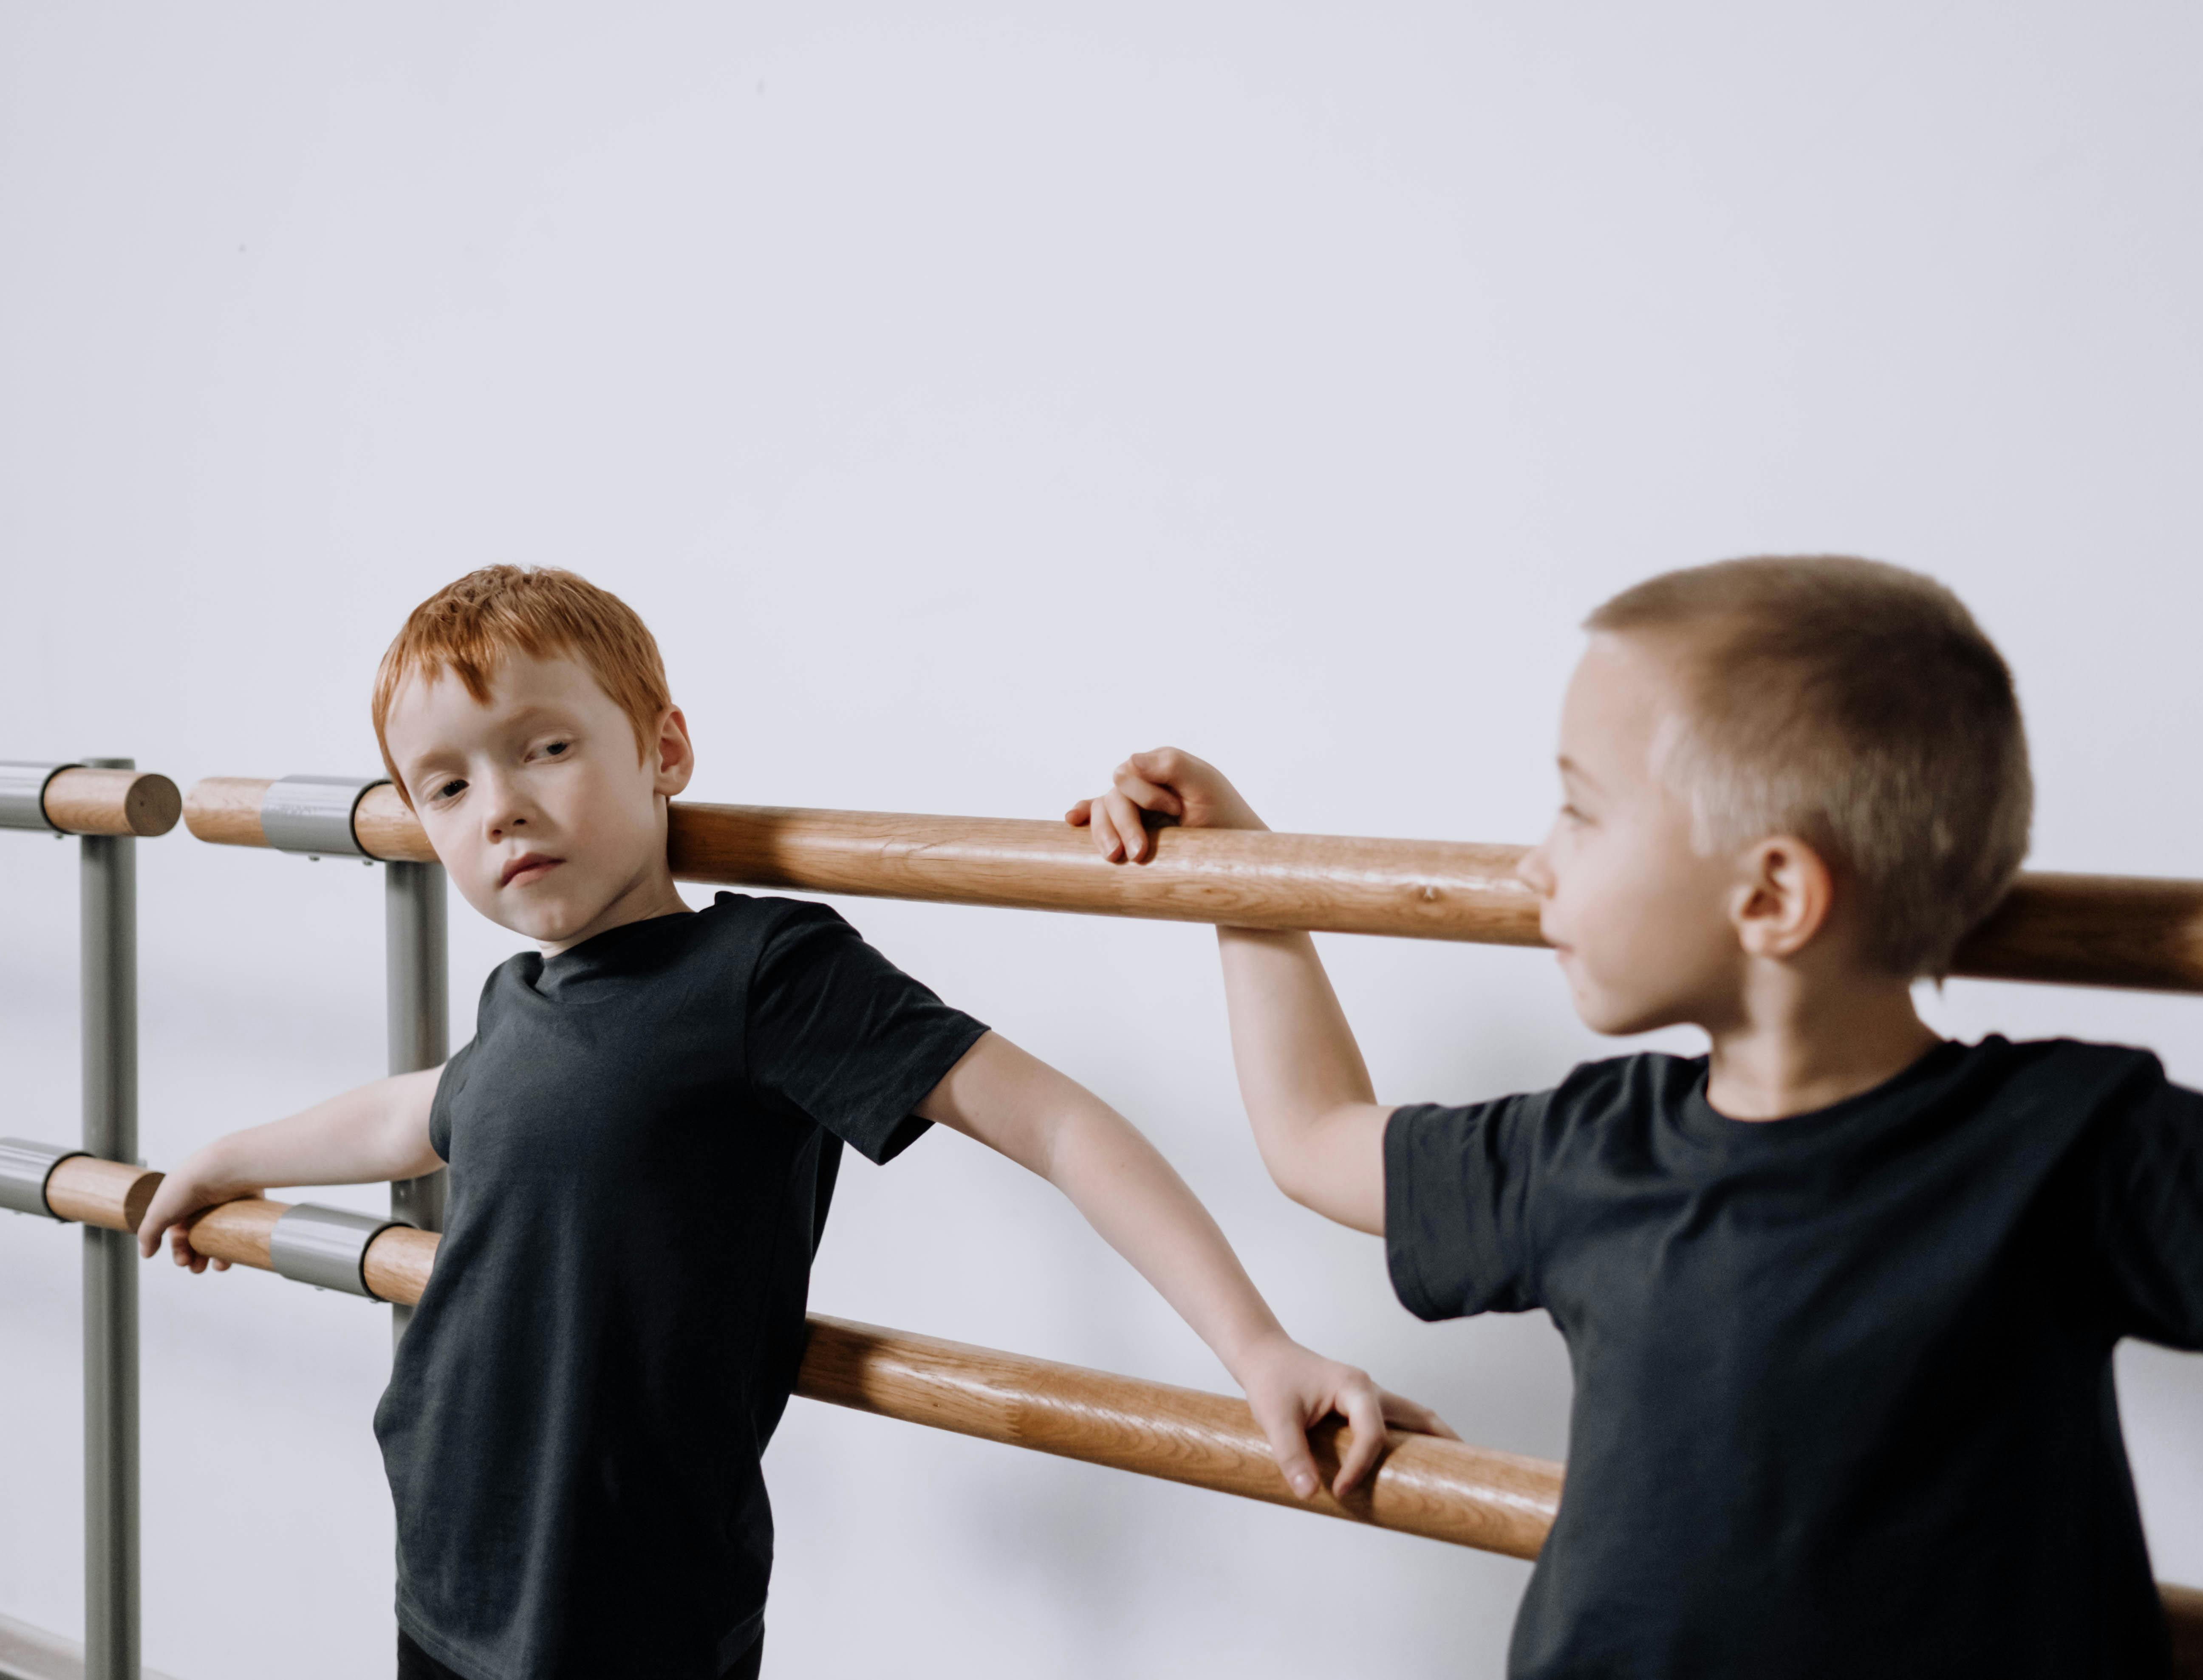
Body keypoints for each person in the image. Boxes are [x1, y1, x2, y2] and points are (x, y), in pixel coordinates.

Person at [1069, 554, 2203, 1679]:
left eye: (1579, 811)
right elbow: (1318, 1132)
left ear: (1770, 894)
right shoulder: (1586, 1148)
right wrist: (1246, 882)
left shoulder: (2070, 1148)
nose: (1531, 863)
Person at [137, 565, 1442, 1680]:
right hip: (449, 1565)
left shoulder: (764, 974)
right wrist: (222, 1158)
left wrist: (1259, 1345)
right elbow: (420, 1111)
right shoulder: (517, 997)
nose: (503, 807)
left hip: (632, 1607)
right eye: (447, 786)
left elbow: (1055, 1125)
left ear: (664, 750)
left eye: (544, 746)